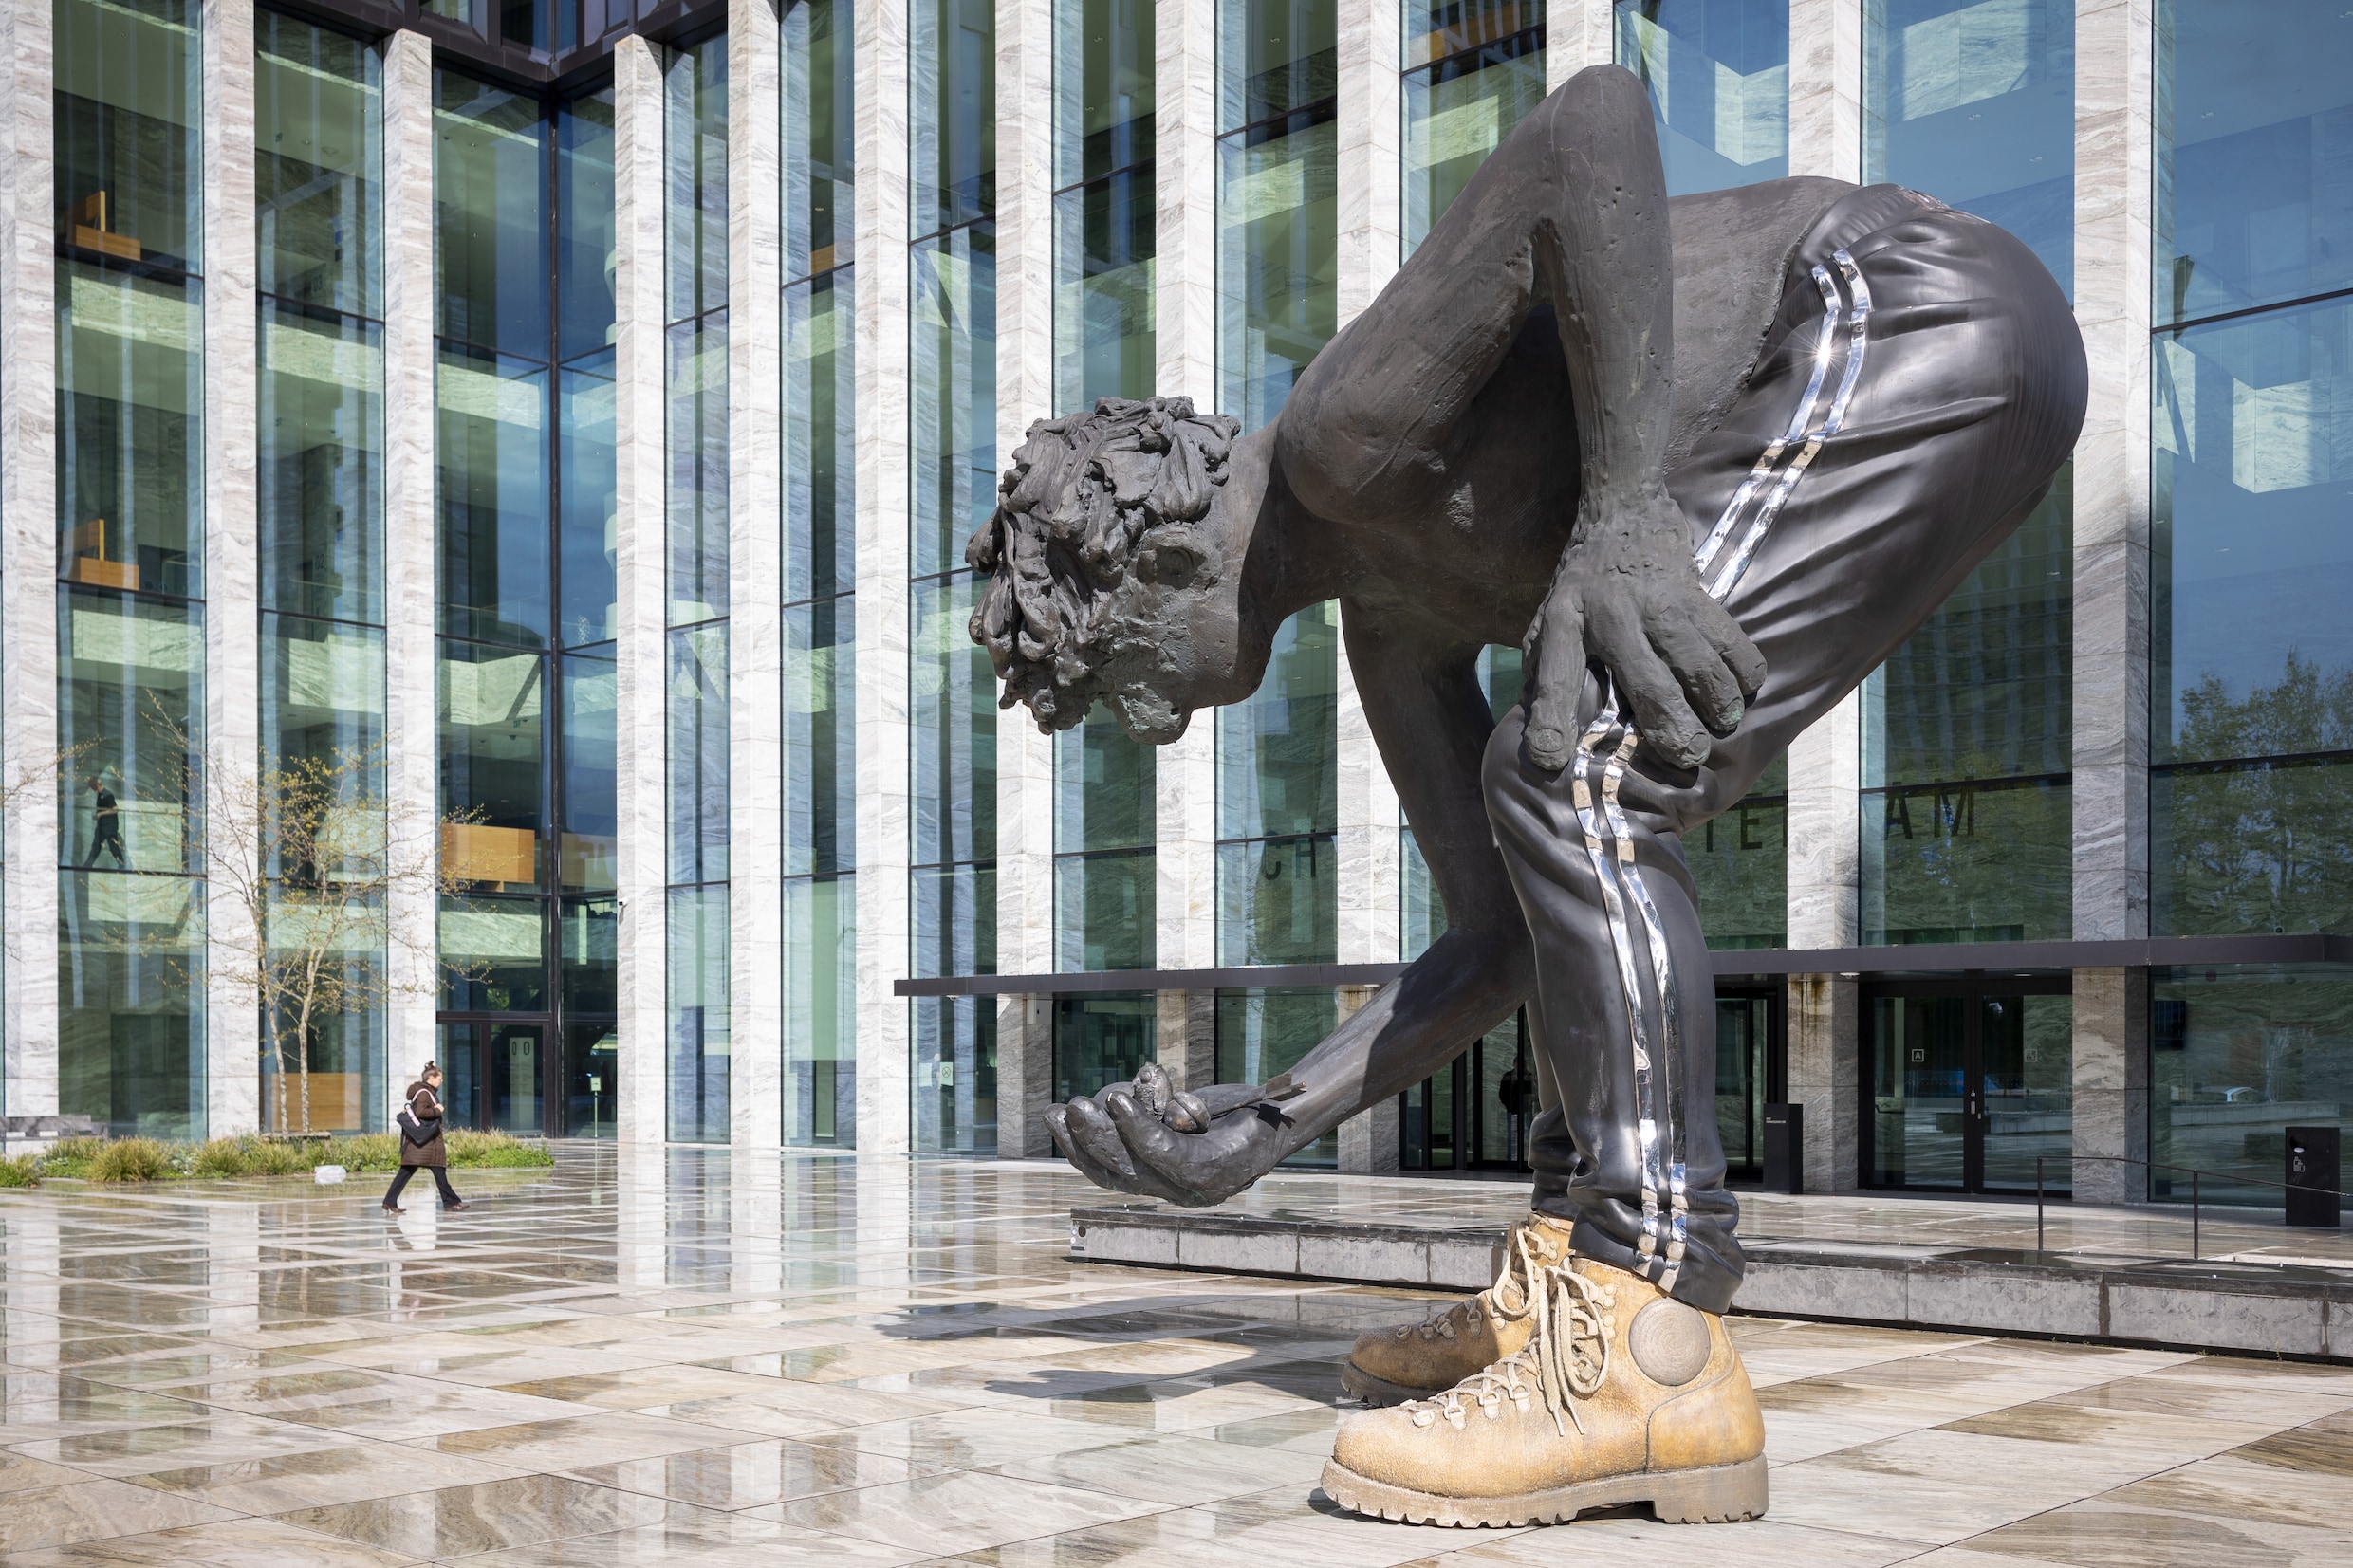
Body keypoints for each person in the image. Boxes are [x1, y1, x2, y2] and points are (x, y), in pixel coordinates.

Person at [969, 65, 2084, 1527]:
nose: (1151, 721)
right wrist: (1266, 1122)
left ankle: (1648, 1331)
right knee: (1549, 788)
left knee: (1578, 761)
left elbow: (1591, 126)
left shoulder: (1341, 430)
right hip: (1929, 348)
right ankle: (1562, 1278)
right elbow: (1496, 938)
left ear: (1160, 562)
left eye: (1127, 679)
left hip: (1907, 310)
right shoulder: (1388, 606)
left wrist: (1624, 517)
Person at [383, 1063, 471, 1212]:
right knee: (439, 1172)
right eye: (439, 1078)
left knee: (406, 1172)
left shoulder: (425, 1091)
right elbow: (421, 1112)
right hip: (426, 1143)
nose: (441, 1081)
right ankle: (451, 1202)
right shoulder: (425, 1093)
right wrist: (437, 1110)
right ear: (431, 1078)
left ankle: (389, 1201)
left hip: (419, 1142)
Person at [81, 776, 125, 868]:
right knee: (96, 846)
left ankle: (121, 864)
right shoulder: (100, 795)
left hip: (110, 826)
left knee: (113, 847)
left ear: (96, 785)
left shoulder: (108, 795)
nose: (92, 789)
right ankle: (88, 864)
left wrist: (101, 814)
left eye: (92, 786)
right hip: (102, 825)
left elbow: (115, 809)